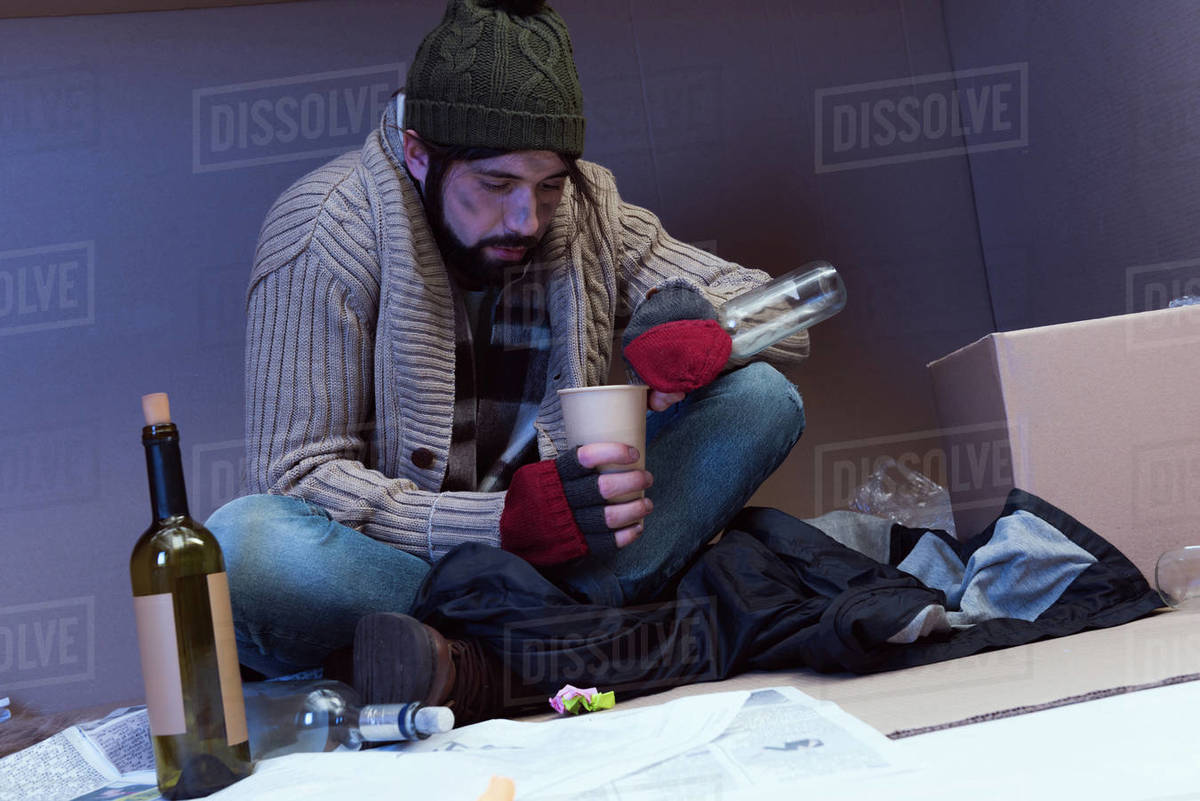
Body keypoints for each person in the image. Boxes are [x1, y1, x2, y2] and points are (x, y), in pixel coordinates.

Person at [205, 0, 808, 711]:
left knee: (763, 396)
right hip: (414, 571)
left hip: (576, 569)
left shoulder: (588, 209)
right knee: (243, 547)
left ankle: (481, 665)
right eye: (494, 186)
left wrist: (703, 326)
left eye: (547, 185)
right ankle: (584, 645)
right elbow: (299, 478)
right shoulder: (326, 230)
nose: (526, 218)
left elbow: (786, 315)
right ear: (418, 152)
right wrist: (497, 526)